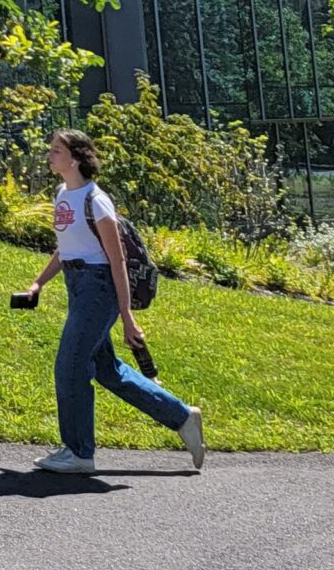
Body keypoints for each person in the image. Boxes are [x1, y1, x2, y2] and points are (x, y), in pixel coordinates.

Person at [18, 128, 206, 474]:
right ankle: (182, 416)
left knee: (70, 366)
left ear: (74, 159)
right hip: (77, 285)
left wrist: (126, 315)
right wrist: (38, 283)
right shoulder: (63, 194)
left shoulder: (96, 200)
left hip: (98, 287)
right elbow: (67, 249)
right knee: (107, 369)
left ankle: (79, 453)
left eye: (56, 150)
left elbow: (116, 260)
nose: (49, 155)